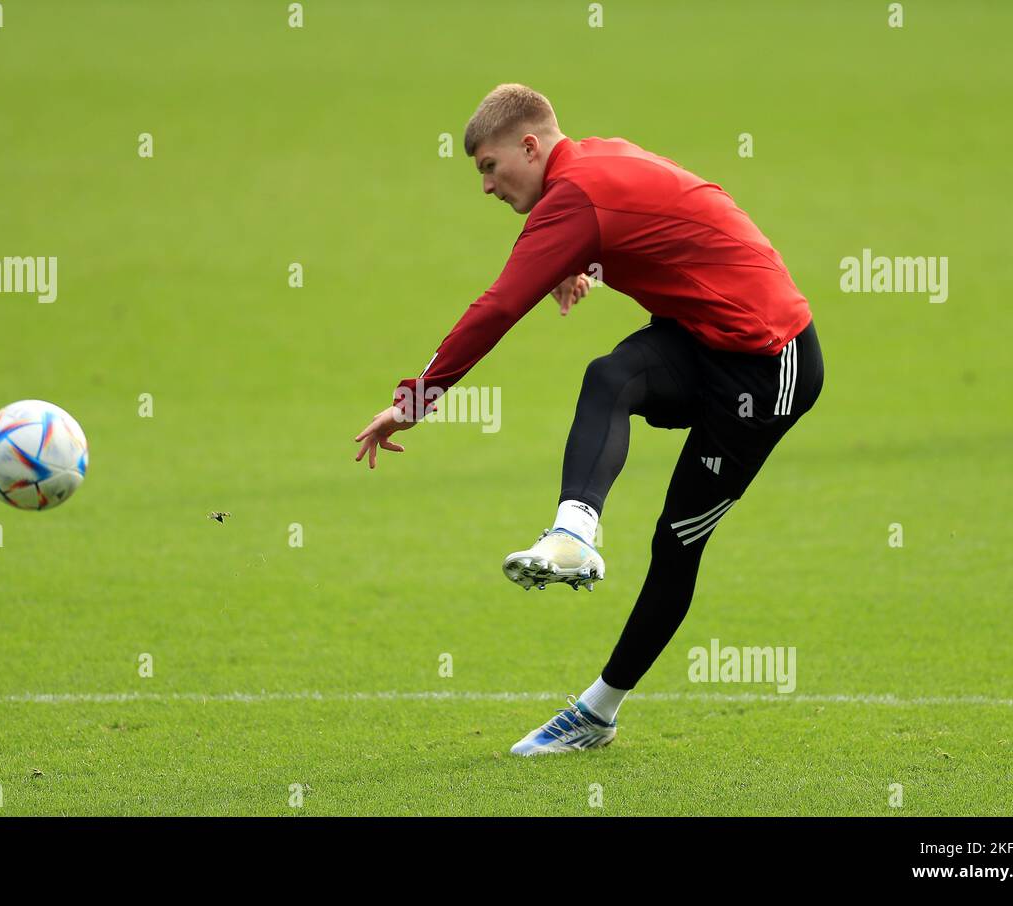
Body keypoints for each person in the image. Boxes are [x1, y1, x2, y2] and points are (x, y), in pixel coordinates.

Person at [353, 84, 824, 756]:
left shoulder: (574, 197)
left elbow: (496, 309)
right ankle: (574, 533)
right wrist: (586, 261)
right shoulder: (590, 163)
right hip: (702, 337)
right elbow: (653, 220)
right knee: (609, 376)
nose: (485, 185)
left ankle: (597, 713)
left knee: (677, 540)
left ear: (530, 145)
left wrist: (415, 401)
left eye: (489, 166)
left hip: (767, 363)